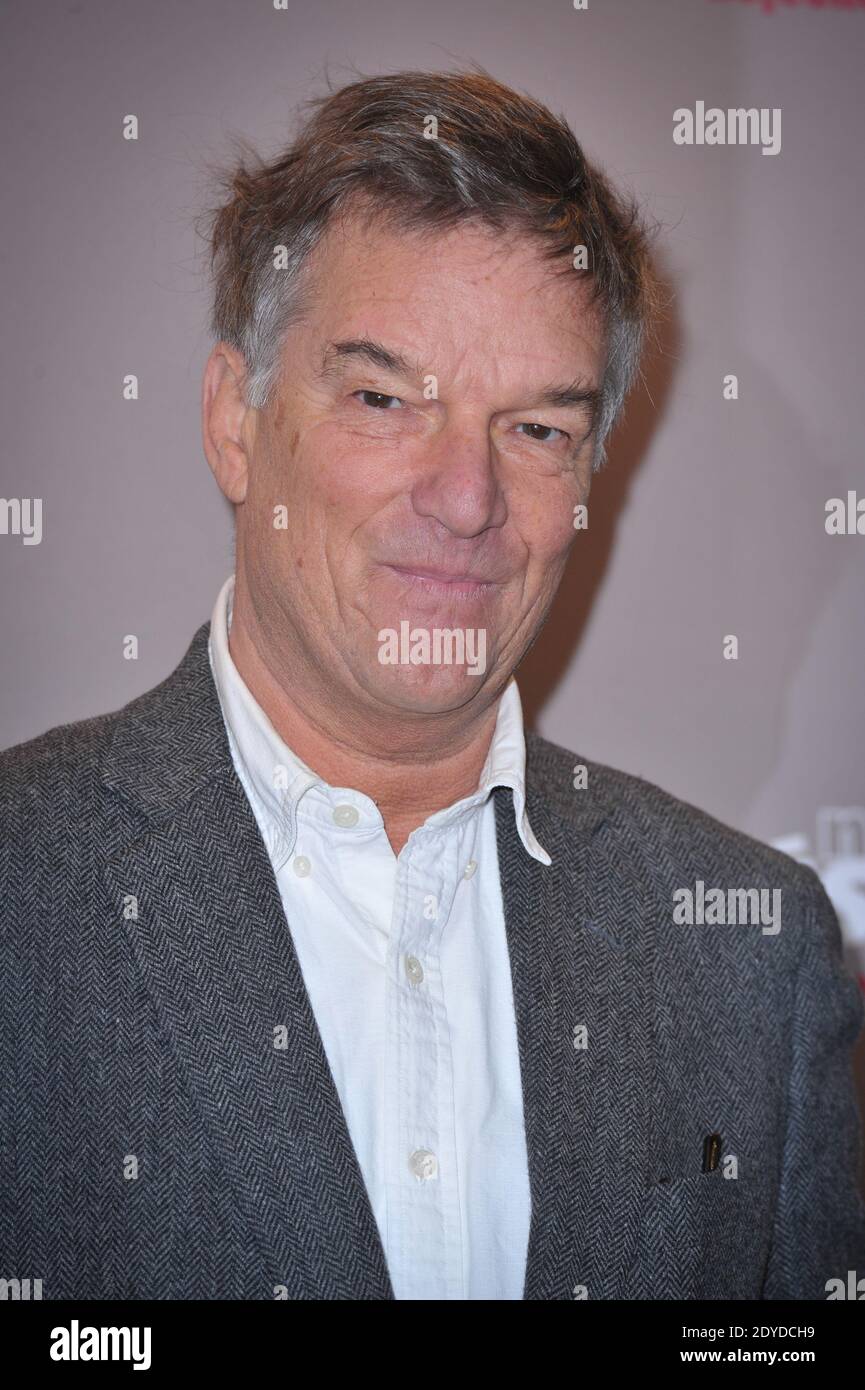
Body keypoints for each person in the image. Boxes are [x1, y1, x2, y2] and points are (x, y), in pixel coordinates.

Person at [1, 69, 863, 1301]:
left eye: (537, 428)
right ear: (234, 425)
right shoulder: (20, 896)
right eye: (384, 398)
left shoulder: (751, 957)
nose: (467, 499)